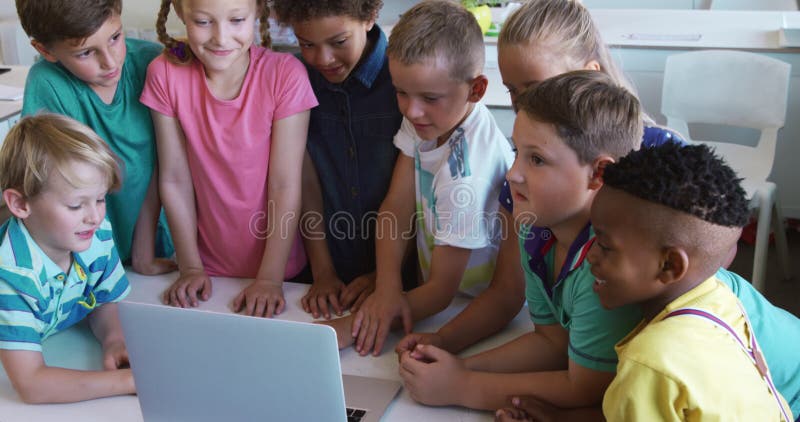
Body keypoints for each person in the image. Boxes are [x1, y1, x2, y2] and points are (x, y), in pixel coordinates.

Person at [396, 0, 684, 359]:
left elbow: (709, 254)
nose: (521, 104)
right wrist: (444, 343)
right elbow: (506, 294)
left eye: (533, 88)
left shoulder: (661, 158)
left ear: (590, 73)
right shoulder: (523, 179)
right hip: (580, 353)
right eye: (513, 90)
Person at [495, 144, 799, 422]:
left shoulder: (650, 362)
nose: (590, 258)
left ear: (669, 265)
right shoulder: (720, 298)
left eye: (604, 245)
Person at [399, 70, 643, 410]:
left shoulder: (607, 266)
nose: (513, 173)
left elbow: (587, 388)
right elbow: (552, 342)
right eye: (518, 152)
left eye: (537, 159)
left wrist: (462, 387)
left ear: (599, 173)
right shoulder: (534, 228)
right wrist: (454, 364)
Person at [324, 0, 514, 356]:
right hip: (435, 300)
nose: (411, 110)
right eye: (401, 92)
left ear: (476, 89)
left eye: (428, 97)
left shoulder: (466, 176)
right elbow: (396, 209)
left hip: (467, 311)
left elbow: (442, 290)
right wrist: (387, 287)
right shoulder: (433, 118)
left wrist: (358, 323)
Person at [141, 0, 317, 317]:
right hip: (206, 277)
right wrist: (191, 267)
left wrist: (269, 279)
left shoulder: (285, 75)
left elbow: (284, 184)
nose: (221, 38)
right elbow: (174, 178)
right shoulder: (164, 73)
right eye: (203, 22)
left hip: (283, 276)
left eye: (236, 20)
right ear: (181, 13)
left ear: (258, 11)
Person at [272, 0, 409, 320]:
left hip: (404, 277)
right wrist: (323, 272)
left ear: (370, 17)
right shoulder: (294, 80)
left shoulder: (406, 79)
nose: (323, 59)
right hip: (322, 276)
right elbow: (304, 181)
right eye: (306, 44)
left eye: (338, 42)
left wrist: (386, 277)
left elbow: (419, 190)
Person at [16, 0, 175, 275]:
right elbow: (50, 188)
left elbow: (167, 165)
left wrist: (144, 249)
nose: (110, 62)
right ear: (45, 50)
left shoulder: (153, 64)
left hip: (157, 244)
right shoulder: (47, 84)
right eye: (86, 52)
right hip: (84, 259)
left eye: (115, 37)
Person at [0, 114, 133, 403]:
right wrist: (125, 381)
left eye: (100, 199)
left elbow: (103, 298)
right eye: (76, 205)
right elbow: (31, 384)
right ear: (21, 204)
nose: (95, 216)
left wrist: (114, 339)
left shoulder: (93, 235)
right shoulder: (10, 275)